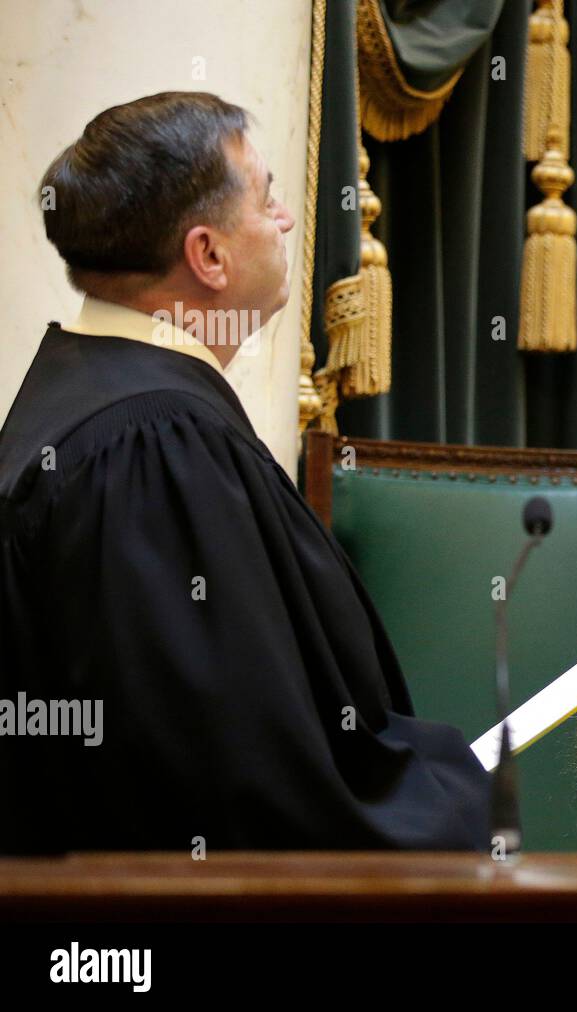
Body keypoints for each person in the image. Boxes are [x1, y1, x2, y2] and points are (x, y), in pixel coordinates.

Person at [0, 92, 490, 853]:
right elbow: (236, 782)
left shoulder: (100, 394)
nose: (285, 219)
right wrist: (457, 796)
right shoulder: (153, 446)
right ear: (209, 256)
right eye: (265, 198)